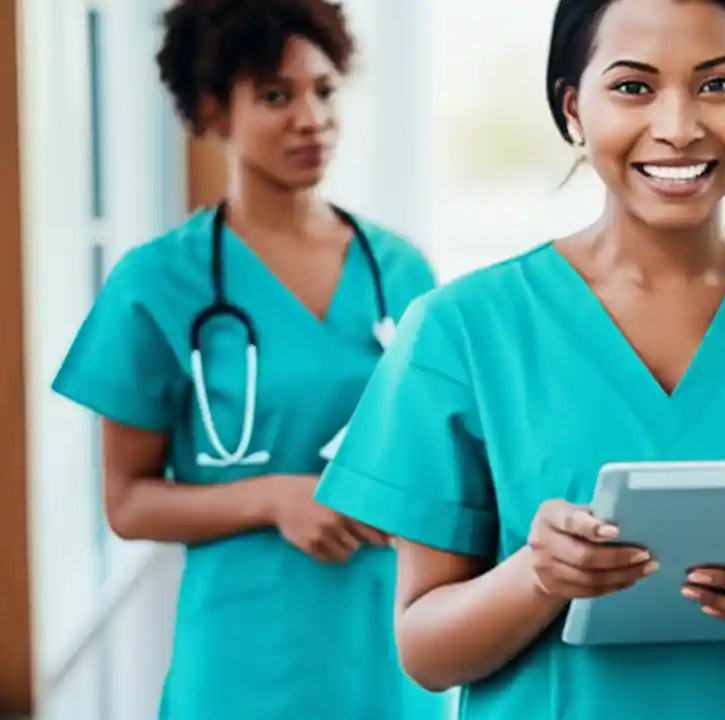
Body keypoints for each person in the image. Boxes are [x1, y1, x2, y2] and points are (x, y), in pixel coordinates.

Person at [315, 1, 725, 718]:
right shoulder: (462, 331)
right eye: (634, 87)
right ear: (573, 109)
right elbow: (425, 651)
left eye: (718, 85)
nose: (678, 127)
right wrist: (539, 577)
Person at [51, 1, 453, 718]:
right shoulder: (158, 284)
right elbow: (128, 502)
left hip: (389, 648)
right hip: (243, 653)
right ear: (213, 109)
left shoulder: (401, 270)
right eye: (276, 94)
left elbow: (439, 460)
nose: (311, 117)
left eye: (324, 90)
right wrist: (272, 497)